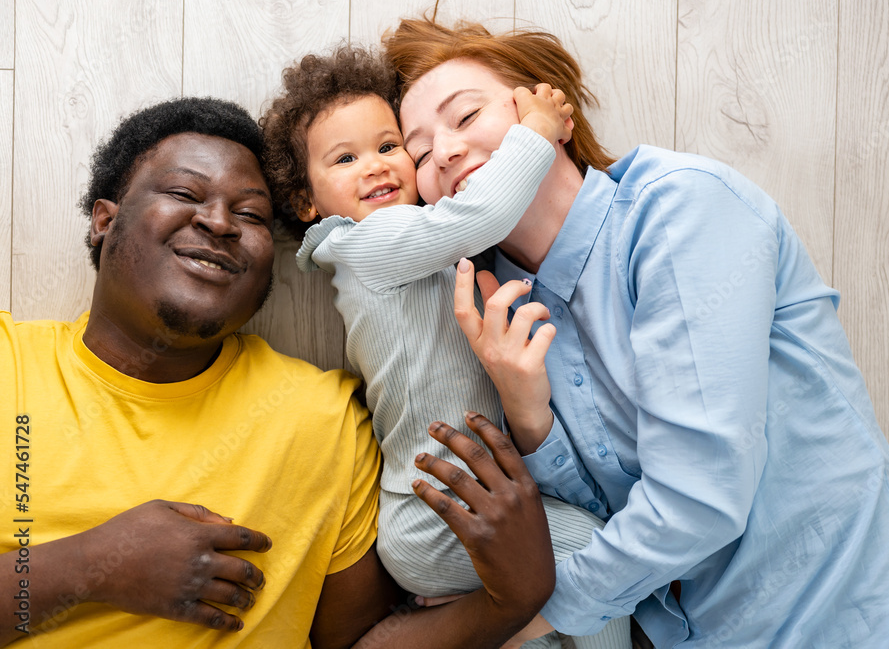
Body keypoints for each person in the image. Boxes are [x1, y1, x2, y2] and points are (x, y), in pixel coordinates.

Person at [383, 17, 889, 648]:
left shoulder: (681, 208)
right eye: (420, 154)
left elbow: (699, 498)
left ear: (554, 118)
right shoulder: (499, 308)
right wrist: (528, 411)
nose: (445, 152)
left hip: (835, 615)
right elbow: (602, 518)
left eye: (466, 116)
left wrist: (509, 621)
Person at [0, 96, 557, 648]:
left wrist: (514, 600)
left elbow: (362, 642)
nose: (219, 222)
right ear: (105, 220)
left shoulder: (328, 421)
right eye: (184, 194)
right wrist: (90, 566)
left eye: (250, 215)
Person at [258, 45, 631, 649]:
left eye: (389, 147)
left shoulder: (419, 242)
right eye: (345, 158)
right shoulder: (362, 245)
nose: (375, 167)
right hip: (434, 516)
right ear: (307, 202)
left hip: (471, 503)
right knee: (595, 550)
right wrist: (535, 132)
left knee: (558, 610)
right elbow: (478, 216)